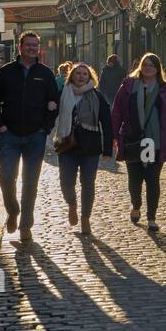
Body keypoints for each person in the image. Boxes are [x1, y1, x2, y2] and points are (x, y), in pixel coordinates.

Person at [0, 32, 59, 242]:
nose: (32, 48)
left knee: (30, 182)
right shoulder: (6, 72)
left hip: (35, 136)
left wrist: (45, 128)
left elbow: (54, 102)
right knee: (7, 176)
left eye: (35, 45)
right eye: (28, 45)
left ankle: (26, 225)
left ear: (39, 48)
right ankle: (12, 210)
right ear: (20, 47)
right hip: (10, 134)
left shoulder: (45, 73)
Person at [111, 53, 166, 231]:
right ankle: (136, 205)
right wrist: (115, 135)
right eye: (145, 64)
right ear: (140, 66)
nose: (148, 67)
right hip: (133, 139)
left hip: (154, 141)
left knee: (152, 180)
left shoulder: (165, 90)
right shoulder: (128, 86)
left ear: (158, 69)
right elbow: (117, 111)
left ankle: (151, 218)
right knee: (135, 179)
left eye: (152, 65)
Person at [54, 63, 113, 236]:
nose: (81, 76)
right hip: (66, 145)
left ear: (90, 77)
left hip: (90, 146)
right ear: (71, 75)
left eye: (84, 74)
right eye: (77, 73)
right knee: (66, 183)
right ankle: (72, 204)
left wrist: (107, 149)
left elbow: (107, 123)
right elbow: (50, 114)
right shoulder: (63, 94)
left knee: (88, 183)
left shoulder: (97, 96)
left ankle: (85, 218)